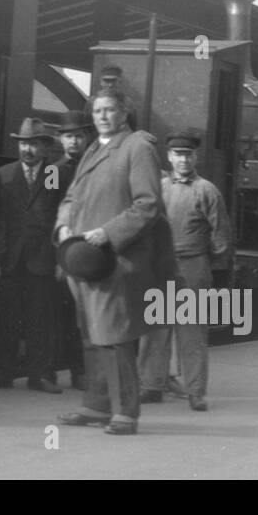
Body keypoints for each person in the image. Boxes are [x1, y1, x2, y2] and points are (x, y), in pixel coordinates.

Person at [53, 90, 172, 436]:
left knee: (116, 335)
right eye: (98, 110)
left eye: (110, 110)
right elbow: (72, 196)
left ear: (124, 112)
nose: (103, 116)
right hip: (85, 260)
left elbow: (147, 204)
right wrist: (62, 225)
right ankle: (97, 405)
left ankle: (126, 413)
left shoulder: (138, 146)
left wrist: (108, 233)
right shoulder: (94, 148)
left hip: (116, 260)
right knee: (92, 333)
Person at [138, 130, 232, 412]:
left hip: (193, 265)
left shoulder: (206, 190)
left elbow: (221, 237)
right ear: (169, 156)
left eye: (188, 155)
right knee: (155, 329)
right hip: (160, 265)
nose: (183, 160)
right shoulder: (158, 187)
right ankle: (151, 385)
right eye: (178, 154)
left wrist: (203, 261)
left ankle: (195, 392)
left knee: (191, 333)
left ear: (195, 157)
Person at [0, 117, 63, 393]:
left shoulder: (53, 176)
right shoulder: (4, 175)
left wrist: (59, 259)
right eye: (23, 144)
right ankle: (2, 373)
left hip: (42, 258)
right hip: (10, 259)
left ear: (44, 147)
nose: (27, 150)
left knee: (40, 318)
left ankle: (39, 375)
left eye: (33, 144)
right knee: (6, 318)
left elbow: (57, 215)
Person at [53, 109, 94, 388]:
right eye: (68, 137)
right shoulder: (53, 172)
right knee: (65, 315)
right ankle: (68, 368)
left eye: (78, 136)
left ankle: (83, 370)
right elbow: (46, 210)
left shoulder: (93, 169)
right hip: (63, 251)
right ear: (60, 140)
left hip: (88, 249)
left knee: (87, 315)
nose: (73, 142)